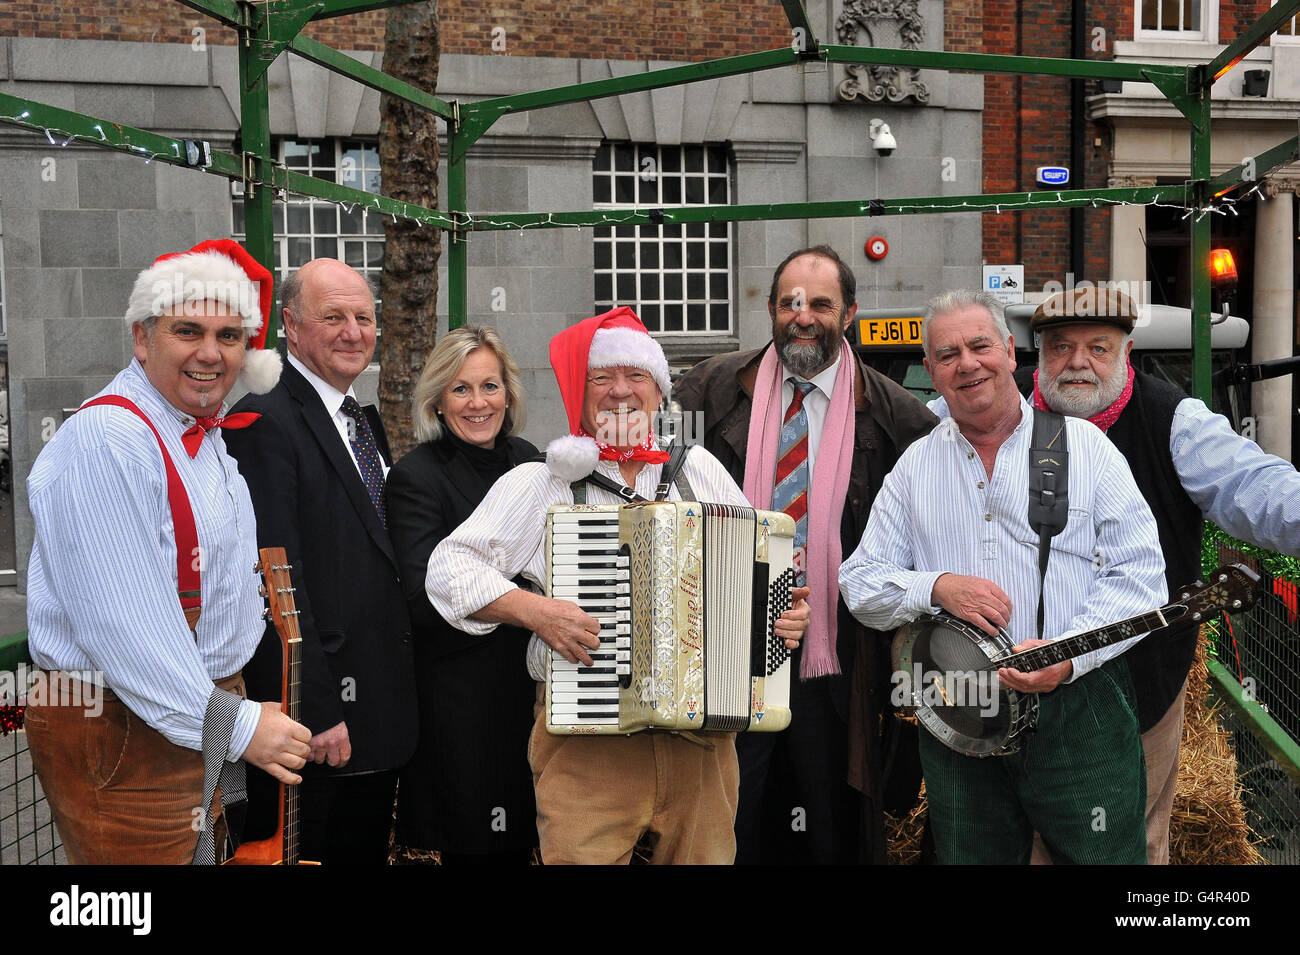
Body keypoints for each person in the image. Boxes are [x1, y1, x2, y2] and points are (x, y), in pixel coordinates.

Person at [426, 306, 811, 865]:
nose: (620, 392)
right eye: (601, 378)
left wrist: (780, 620)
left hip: (702, 745)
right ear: (577, 394)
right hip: (586, 747)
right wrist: (536, 611)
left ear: (660, 392)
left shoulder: (697, 468)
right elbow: (448, 570)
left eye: (636, 377)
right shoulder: (543, 482)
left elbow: (758, 571)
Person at [839, 288, 1168, 864]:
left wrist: (1068, 655)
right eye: (946, 355)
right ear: (932, 373)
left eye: (979, 345)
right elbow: (860, 583)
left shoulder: (1084, 449)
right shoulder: (914, 467)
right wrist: (936, 586)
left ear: (1010, 353)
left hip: (1079, 706)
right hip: (959, 709)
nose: (967, 363)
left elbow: (1142, 580)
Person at [24, 239, 311, 864]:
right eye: (188, 330)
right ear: (142, 337)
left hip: (188, 713)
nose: (210, 354)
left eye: (230, 336)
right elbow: (124, 628)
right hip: (125, 724)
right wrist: (236, 724)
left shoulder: (200, 438)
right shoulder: (109, 439)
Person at [675, 245, 936, 864]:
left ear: (847, 314)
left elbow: (923, 536)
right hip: (726, 642)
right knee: (732, 809)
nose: (804, 316)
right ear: (769, 309)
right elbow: (663, 497)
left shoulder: (899, 418)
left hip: (837, 652)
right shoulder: (705, 393)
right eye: (790, 302)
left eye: (821, 303)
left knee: (826, 817)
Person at [1022, 285, 1300, 864]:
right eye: (1060, 347)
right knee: (1031, 841)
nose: (1078, 362)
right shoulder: (1004, 414)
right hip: (1025, 678)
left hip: (1141, 677)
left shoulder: (1173, 421)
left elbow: (1254, 486)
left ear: (1125, 351)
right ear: (1038, 355)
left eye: (1098, 346)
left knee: (1132, 839)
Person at [225, 258, 418, 865]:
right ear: (290, 324)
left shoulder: (358, 418)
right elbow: (275, 576)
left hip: (377, 712)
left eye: (363, 317)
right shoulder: (263, 422)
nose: (352, 332)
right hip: (319, 724)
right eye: (331, 317)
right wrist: (318, 713)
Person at [386, 326, 539, 864]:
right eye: (461, 389)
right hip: (463, 702)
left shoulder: (530, 462)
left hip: (533, 689)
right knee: (475, 842)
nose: (479, 403)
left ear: (509, 393)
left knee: (527, 839)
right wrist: (526, 599)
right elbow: (423, 596)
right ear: (437, 400)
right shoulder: (415, 477)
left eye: (490, 386)